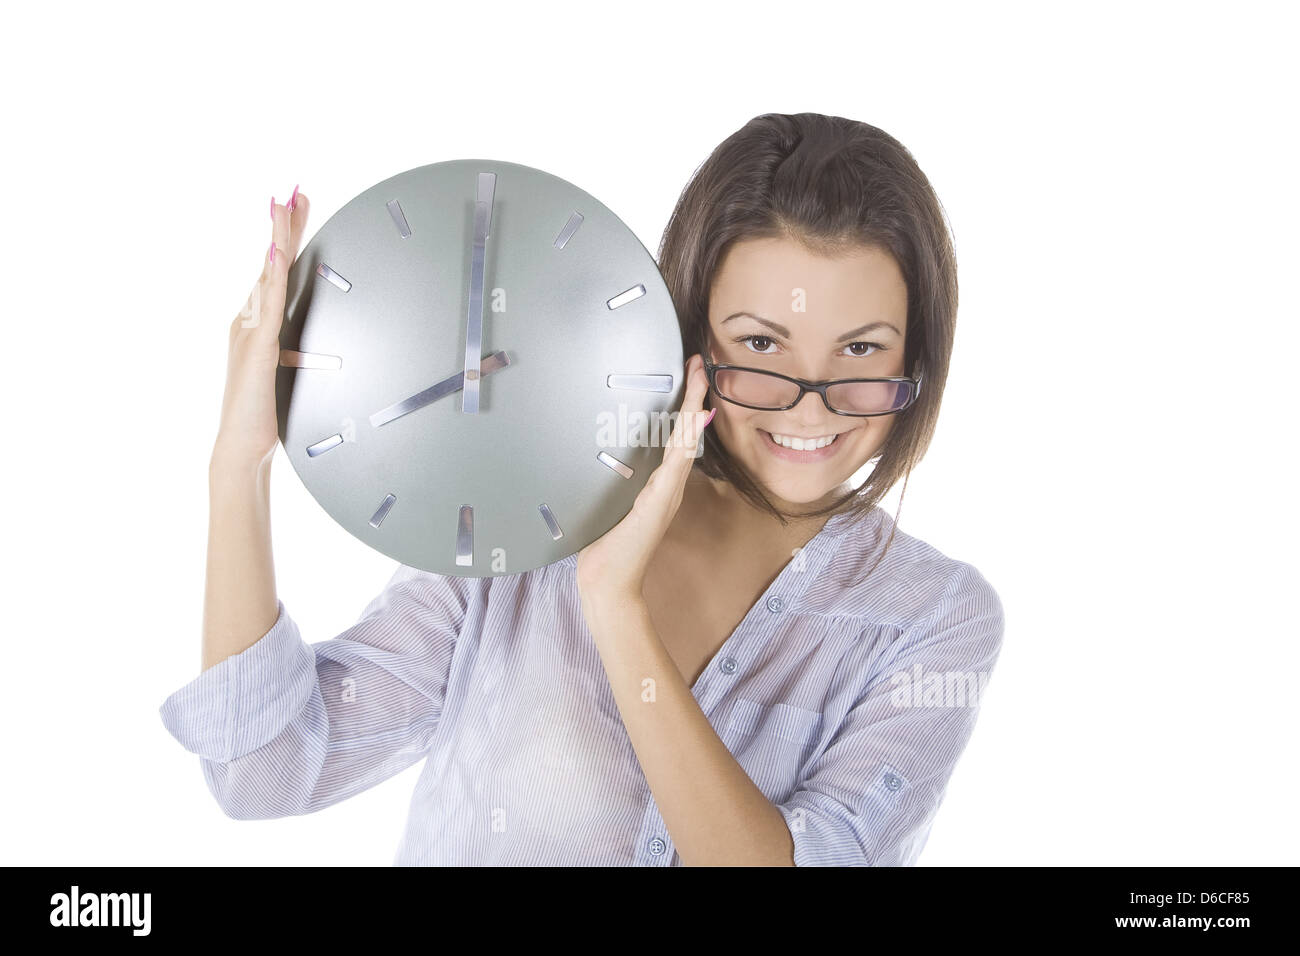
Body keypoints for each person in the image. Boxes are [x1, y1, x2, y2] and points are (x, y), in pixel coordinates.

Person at [159, 112, 1005, 866]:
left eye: (860, 351)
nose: (808, 401)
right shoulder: (531, 513)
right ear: (691, 335)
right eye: (761, 343)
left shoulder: (930, 617)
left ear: (915, 353)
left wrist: (614, 608)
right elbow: (263, 772)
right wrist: (238, 467)